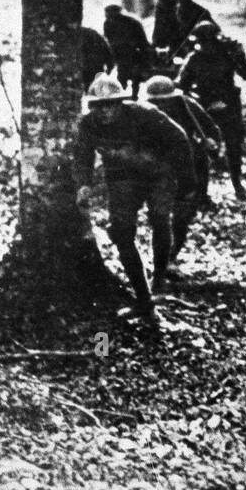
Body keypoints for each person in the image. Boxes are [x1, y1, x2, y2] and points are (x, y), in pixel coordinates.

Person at [74, 73, 195, 319]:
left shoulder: (145, 114)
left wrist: (186, 181)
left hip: (159, 172)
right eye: (100, 106)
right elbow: (83, 155)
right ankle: (143, 299)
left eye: (111, 104)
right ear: (92, 107)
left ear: (121, 102)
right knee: (121, 231)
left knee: (160, 219)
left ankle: (159, 278)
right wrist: (84, 184)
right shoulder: (88, 124)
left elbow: (180, 139)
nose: (106, 111)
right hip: (121, 177)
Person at [175, 20, 246, 202]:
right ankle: (202, 191)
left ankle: (236, 182)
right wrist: (197, 104)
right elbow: (182, 87)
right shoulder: (193, 59)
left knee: (234, 144)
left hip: (229, 105)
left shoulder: (229, 55)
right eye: (203, 43)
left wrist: (240, 58)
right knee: (201, 147)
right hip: (204, 106)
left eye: (210, 42)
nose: (207, 47)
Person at [143, 74, 223, 226]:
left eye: (166, 101)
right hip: (156, 150)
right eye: (157, 102)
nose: (162, 106)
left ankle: (200, 197)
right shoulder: (142, 110)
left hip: (186, 147)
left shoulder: (186, 105)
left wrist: (212, 142)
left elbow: (210, 127)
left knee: (199, 156)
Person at [102, 2, 154, 95]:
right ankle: (124, 94)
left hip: (134, 53)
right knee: (122, 77)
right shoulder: (107, 23)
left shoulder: (132, 22)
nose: (110, 18)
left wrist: (145, 54)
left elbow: (142, 40)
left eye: (112, 14)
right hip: (119, 54)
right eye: (108, 15)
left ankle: (134, 94)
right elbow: (109, 40)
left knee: (135, 77)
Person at [166, 0, 216, 65]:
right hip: (176, 50)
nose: (182, 0)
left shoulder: (201, 12)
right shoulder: (173, 12)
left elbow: (214, 29)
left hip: (197, 49)